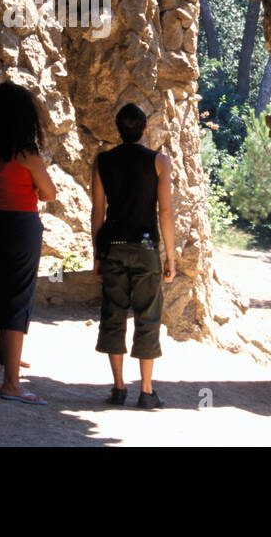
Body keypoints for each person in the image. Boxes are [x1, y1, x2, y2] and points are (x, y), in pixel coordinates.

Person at [0, 81, 56, 404]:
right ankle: (12, 383)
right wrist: (33, 189)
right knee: (18, 302)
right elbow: (49, 193)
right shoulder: (27, 154)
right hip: (22, 226)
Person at [90, 102, 176, 409]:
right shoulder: (159, 162)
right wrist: (170, 257)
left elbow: (97, 212)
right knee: (148, 316)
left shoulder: (102, 162)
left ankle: (118, 388)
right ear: (145, 129)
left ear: (118, 129)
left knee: (113, 314)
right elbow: (165, 212)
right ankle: (147, 391)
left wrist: (97, 254)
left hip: (112, 246)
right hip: (145, 248)